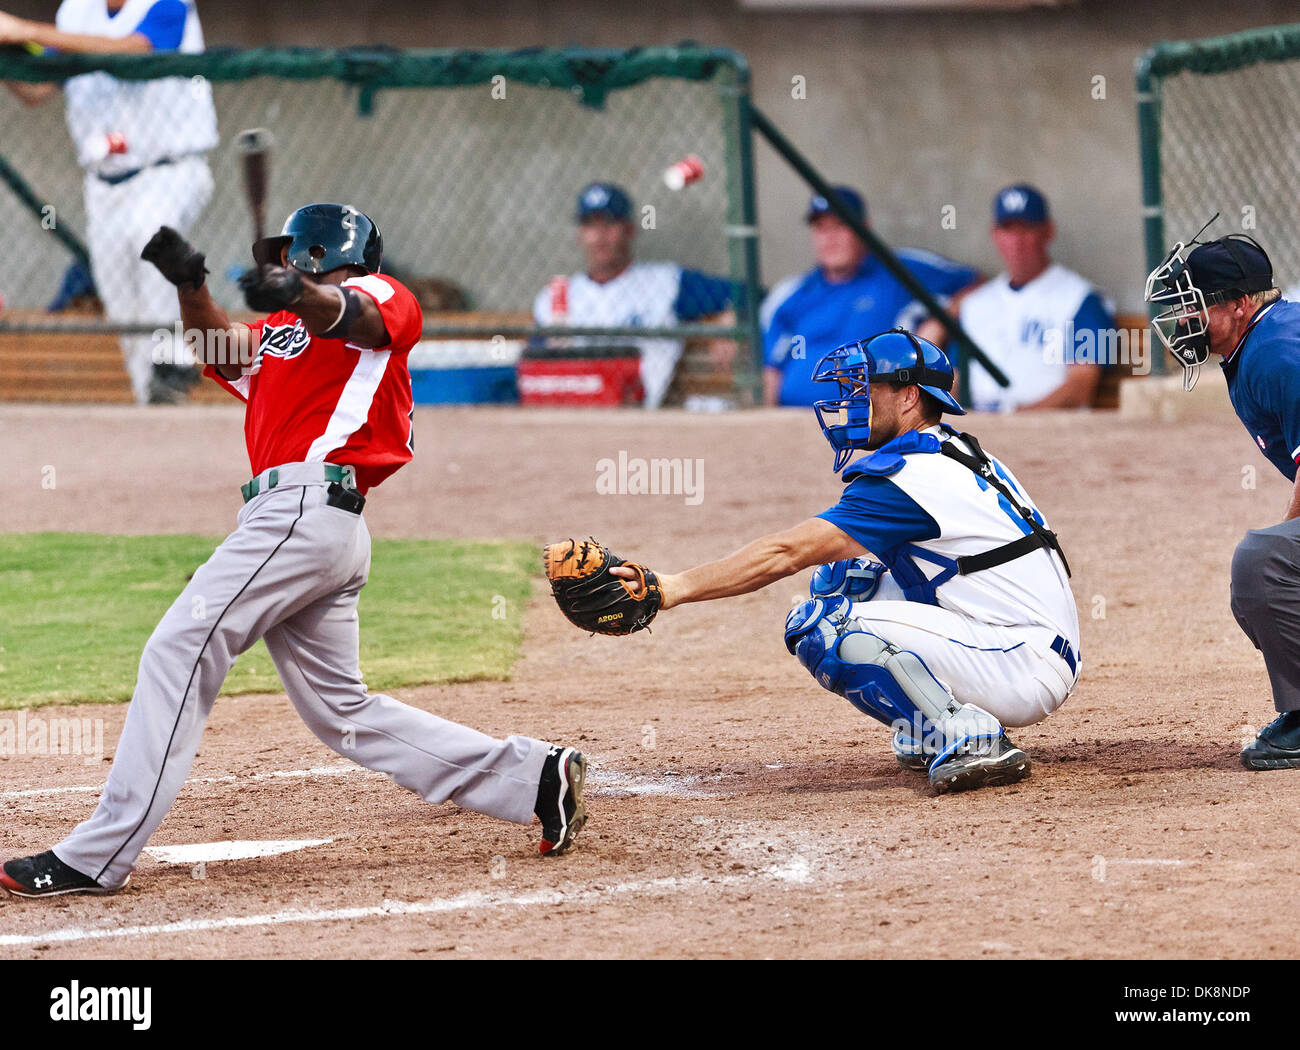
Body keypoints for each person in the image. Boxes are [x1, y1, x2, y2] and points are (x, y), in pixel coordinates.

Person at [0, 203, 587, 899]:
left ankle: (97, 856)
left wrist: (299, 294)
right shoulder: (279, 334)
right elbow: (218, 351)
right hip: (305, 525)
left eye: (291, 255)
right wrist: (192, 286)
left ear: (314, 252)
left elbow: (350, 314)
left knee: (177, 650)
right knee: (344, 713)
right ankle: (535, 778)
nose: (282, 263)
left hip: (305, 512)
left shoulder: (380, 296)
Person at [608, 329, 1081, 792]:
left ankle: (969, 735)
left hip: (1020, 664)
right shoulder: (948, 448)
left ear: (909, 397)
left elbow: (785, 553)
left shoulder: (910, 478)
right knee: (844, 581)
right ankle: (933, 721)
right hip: (1018, 640)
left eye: (864, 388)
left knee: (822, 624)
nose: (850, 401)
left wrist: (671, 589)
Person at [0, 0, 217, 405]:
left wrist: (25, 29)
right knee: (122, 305)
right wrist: (7, 53)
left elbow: (133, 49)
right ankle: (155, 407)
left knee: (150, 235)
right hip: (103, 183)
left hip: (171, 168)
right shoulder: (75, 13)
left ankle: (171, 356)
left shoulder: (169, 3)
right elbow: (38, 89)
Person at [1146, 231, 1300, 769]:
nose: (1182, 323)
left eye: (1195, 309)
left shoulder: (1278, 353)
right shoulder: (1266, 340)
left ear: (1239, 305)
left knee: (1265, 566)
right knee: (1269, 569)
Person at [761, 186, 980, 407]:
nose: (830, 238)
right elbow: (771, 371)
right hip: (793, 419)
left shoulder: (898, 269)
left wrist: (938, 325)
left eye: (840, 225)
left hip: (874, 421)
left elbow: (976, 285)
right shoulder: (794, 293)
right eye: (821, 228)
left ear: (865, 228)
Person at [532, 181, 735, 409]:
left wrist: (732, 318)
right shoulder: (556, 296)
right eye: (590, 224)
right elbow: (536, 373)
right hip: (575, 413)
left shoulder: (665, 283)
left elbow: (750, 295)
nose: (600, 235)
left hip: (641, 415)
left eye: (609, 223)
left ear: (629, 229)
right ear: (580, 234)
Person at [921, 184, 1114, 412]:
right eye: (1008, 229)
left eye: (1026, 228)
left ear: (1048, 232)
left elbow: (1080, 388)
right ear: (995, 234)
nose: (1017, 240)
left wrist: (1016, 424)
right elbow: (955, 378)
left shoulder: (1084, 300)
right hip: (977, 425)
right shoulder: (975, 303)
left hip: (1050, 429)